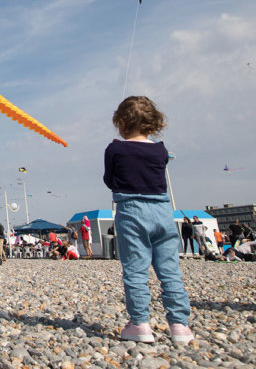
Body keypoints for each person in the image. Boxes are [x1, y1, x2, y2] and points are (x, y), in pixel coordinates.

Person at [103, 95, 193, 345]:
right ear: (152, 123)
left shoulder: (114, 148)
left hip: (132, 212)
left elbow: (109, 180)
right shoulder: (161, 149)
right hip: (163, 212)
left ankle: (140, 323)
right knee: (170, 270)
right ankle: (180, 326)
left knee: (135, 269)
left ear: (121, 122)